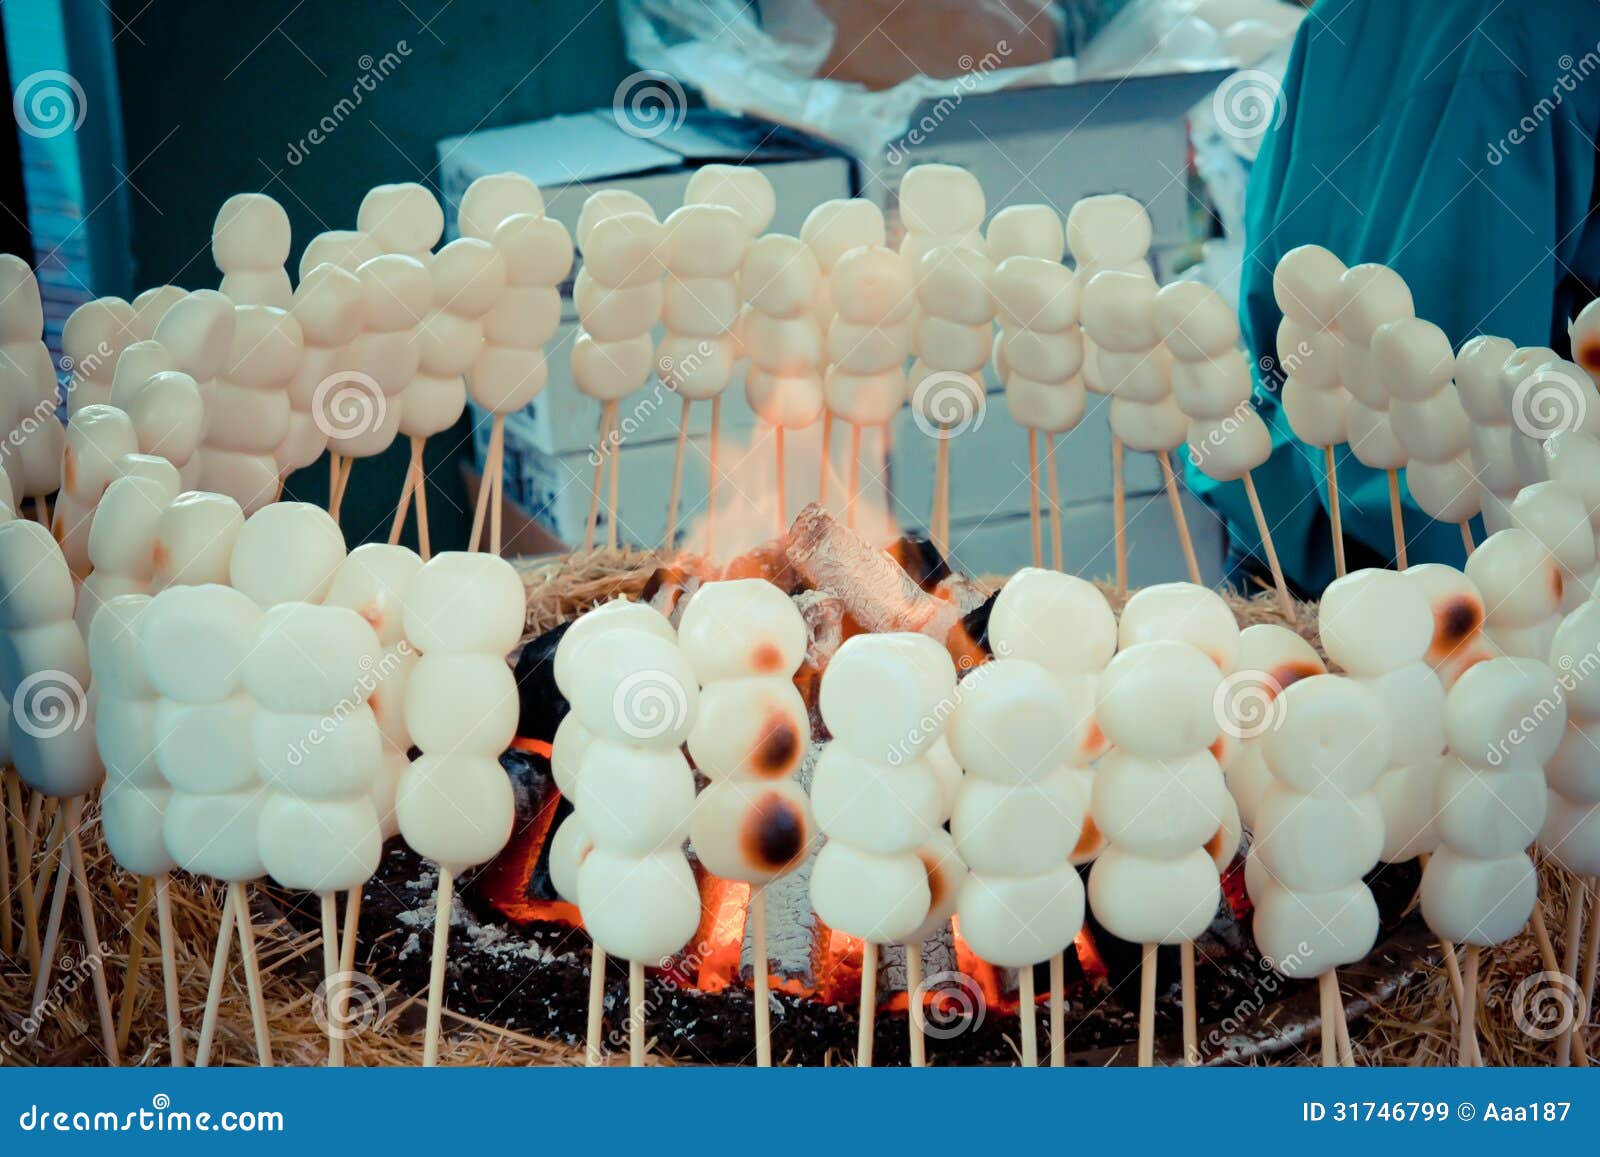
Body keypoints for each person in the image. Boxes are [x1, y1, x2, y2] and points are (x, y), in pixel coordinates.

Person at [1188, 0, 1600, 595]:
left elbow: (1272, 290)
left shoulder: (1336, 19)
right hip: (1490, 586)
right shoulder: (1568, 28)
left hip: (1290, 539)